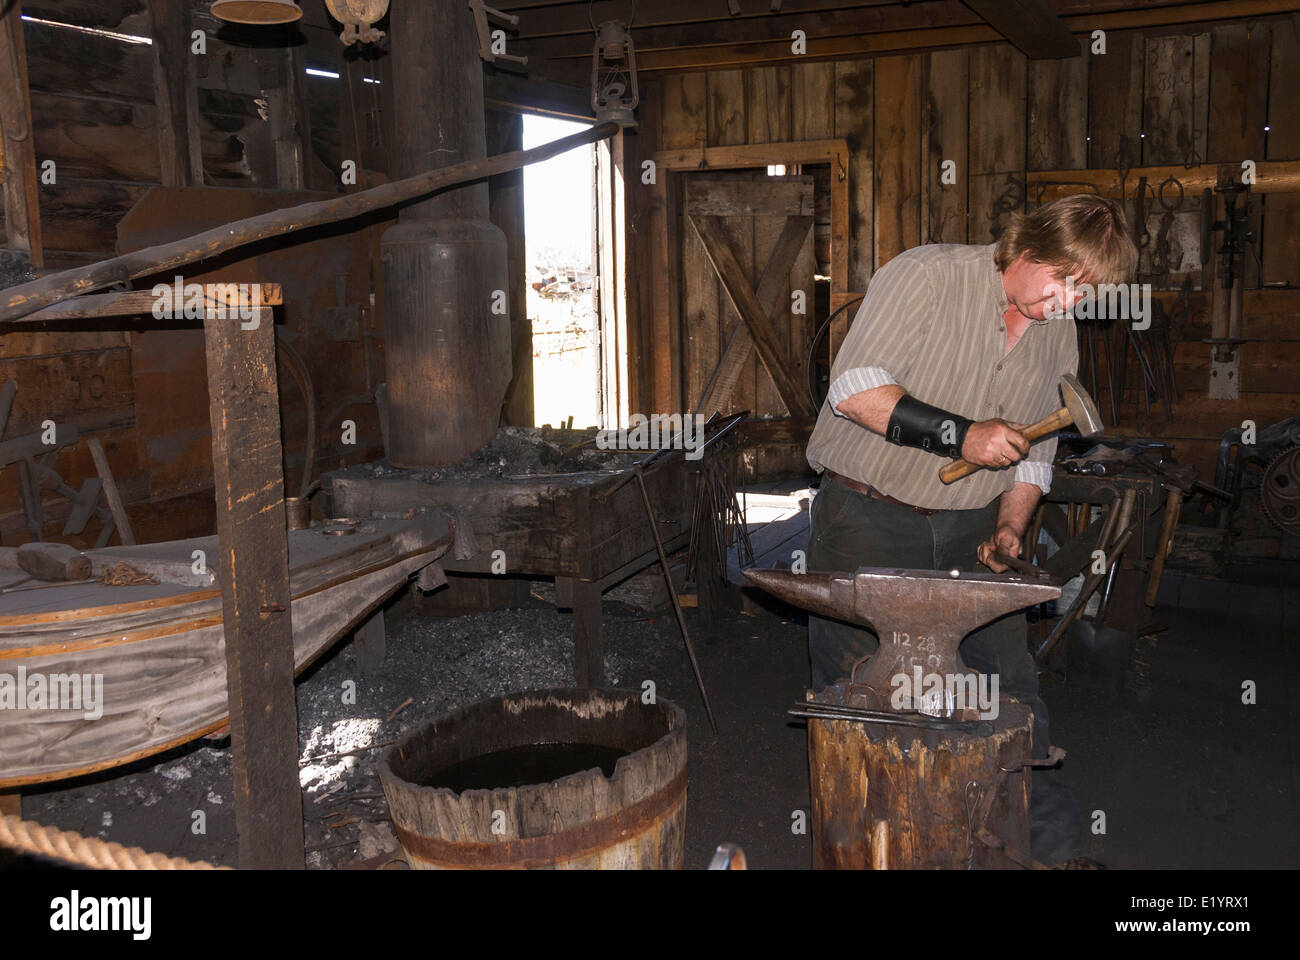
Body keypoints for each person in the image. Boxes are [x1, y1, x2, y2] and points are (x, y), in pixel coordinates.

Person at [803, 194, 1138, 865]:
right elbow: (855, 387)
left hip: (972, 532)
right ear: (1024, 248)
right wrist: (962, 435)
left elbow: (1039, 444)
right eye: (1064, 282)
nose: (1070, 302)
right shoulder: (928, 275)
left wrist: (1012, 526)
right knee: (861, 696)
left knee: (1009, 687)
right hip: (868, 519)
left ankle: (1041, 849)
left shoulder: (1056, 329)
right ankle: (866, 850)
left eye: (1087, 293)